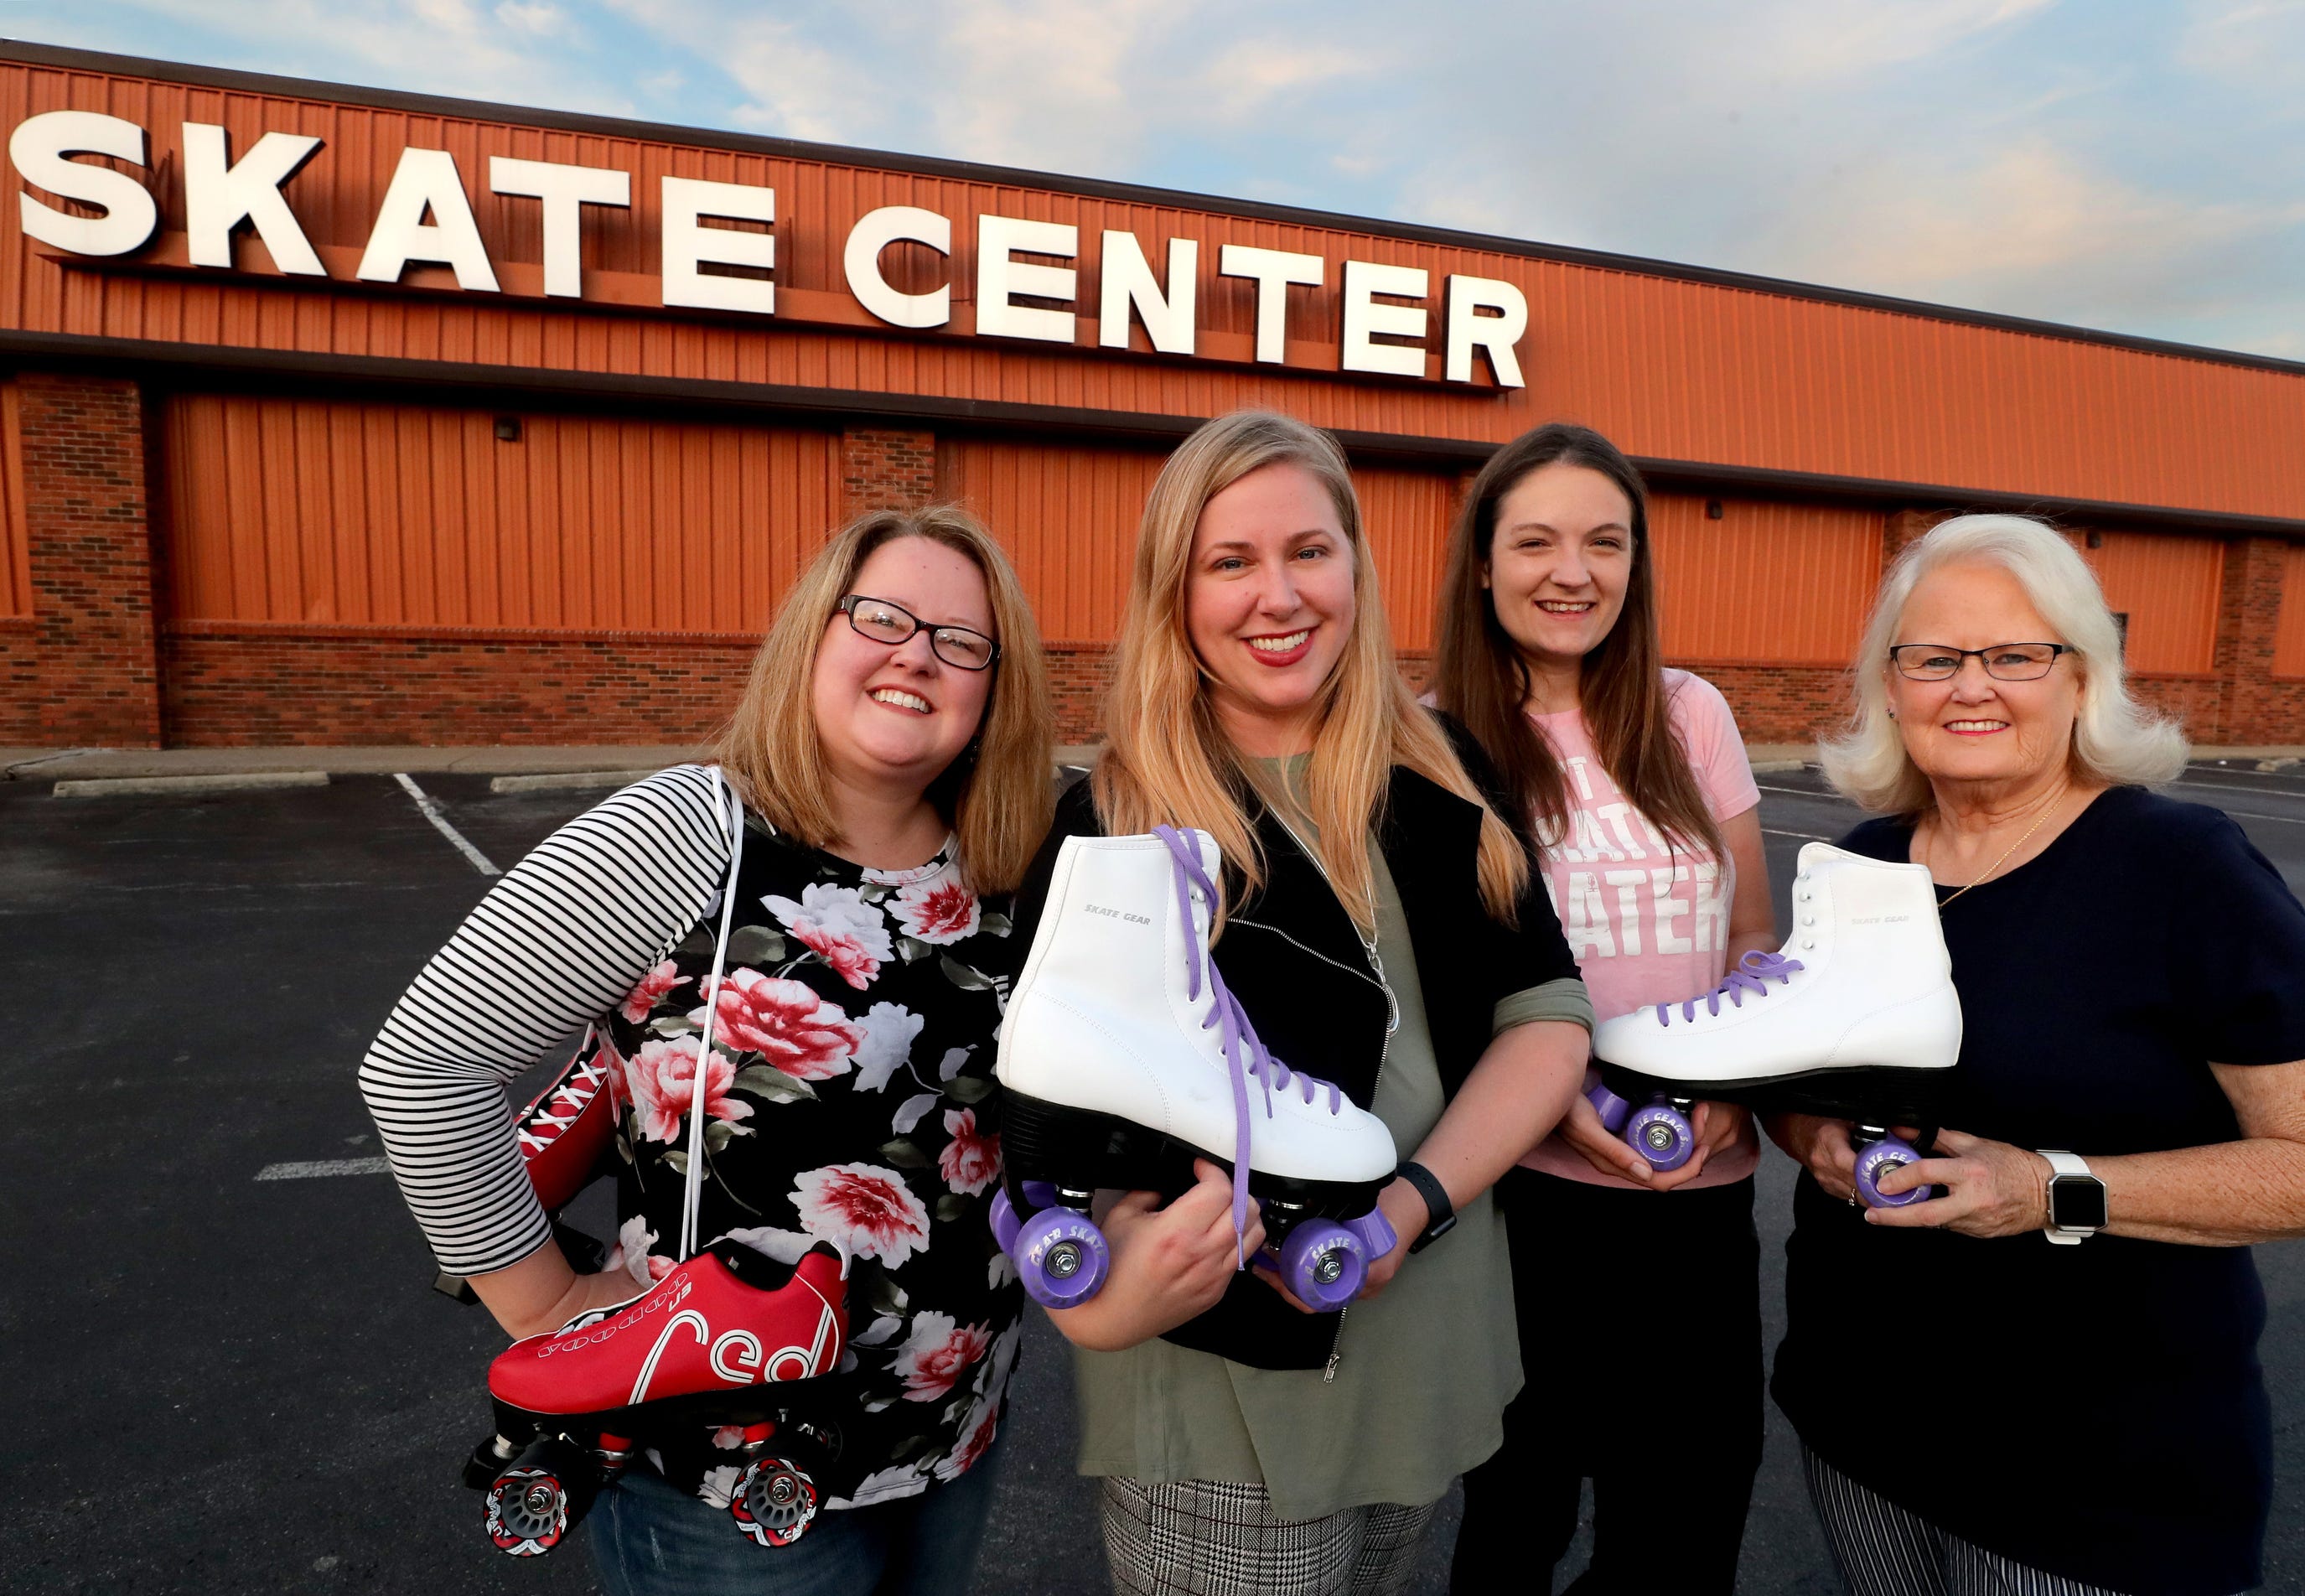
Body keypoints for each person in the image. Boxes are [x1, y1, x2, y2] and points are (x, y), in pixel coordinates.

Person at [358, 505, 1056, 1596]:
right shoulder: (691, 829)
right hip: (718, 1473)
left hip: (949, 1440)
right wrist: (544, 1308)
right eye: (881, 617)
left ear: (994, 688)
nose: (917, 654)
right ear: (814, 635)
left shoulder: (1008, 865)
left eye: (962, 640)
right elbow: (423, 1066)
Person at [1010, 408, 1595, 1596]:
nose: (1278, 597)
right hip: (1227, 1396)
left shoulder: (1442, 768)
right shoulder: (1114, 822)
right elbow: (1048, 1110)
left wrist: (1403, 1212)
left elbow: (1545, 1018)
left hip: (1424, 1346)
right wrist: (1110, 1257)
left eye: (1309, 552)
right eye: (1230, 562)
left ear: (1355, 569)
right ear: (1176, 595)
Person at [1769, 513, 2305, 1596]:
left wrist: (2048, 1188)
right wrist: (1810, 1135)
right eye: (1933, 658)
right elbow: (1797, 1080)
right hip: (1863, 1426)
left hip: (2097, 1477)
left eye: (2015, 655)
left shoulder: (2181, 869)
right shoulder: (1860, 864)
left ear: (2081, 679)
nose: (1971, 687)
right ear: (1890, 686)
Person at [1432, 422, 1774, 1594]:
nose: (1570, 572)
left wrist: (1735, 1078)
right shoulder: (1437, 740)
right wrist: (1546, 1099)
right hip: (1525, 1206)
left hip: (1698, 1204)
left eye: (1604, 542)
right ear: (1483, 564)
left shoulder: (1691, 714)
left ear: (1635, 563)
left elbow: (1751, 933)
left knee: (1683, 1536)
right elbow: (1440, 986)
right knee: (1513, 1523)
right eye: (1535, 542)